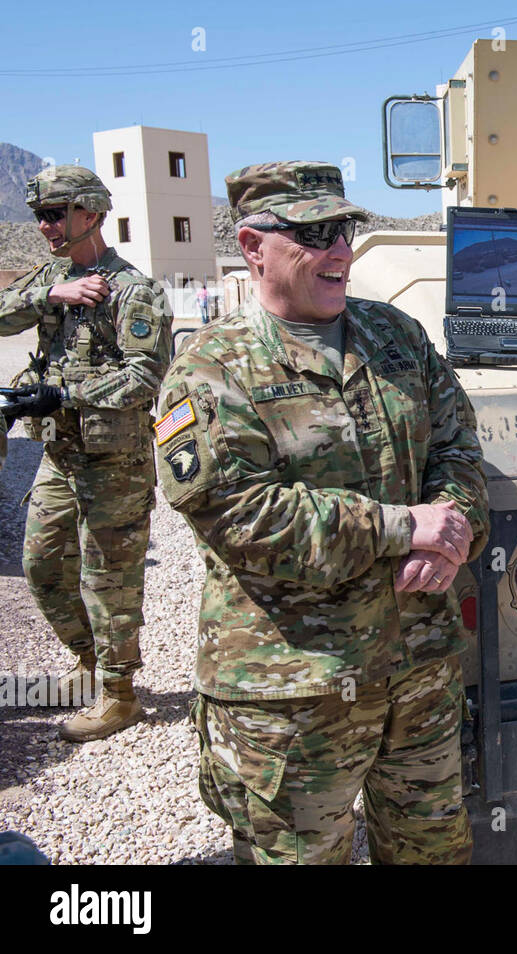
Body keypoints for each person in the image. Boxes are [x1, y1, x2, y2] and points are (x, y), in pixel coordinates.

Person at [157, 161, 488, 864]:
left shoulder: (395, 337)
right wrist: (404, 527)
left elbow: (458, 448)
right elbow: (242, 515)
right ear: (253, 247)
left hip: (419, 674)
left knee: (435, 852)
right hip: (294, 696)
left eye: (343, 228)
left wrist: (451, 530)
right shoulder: (211, 371)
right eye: (313, 233)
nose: (340, 249)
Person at [0, 165, 173, 741]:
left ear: (91, 213)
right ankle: (88, 661)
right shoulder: (50, 276)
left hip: (113, 461)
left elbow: (145, 376)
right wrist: (51, 291)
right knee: (42, 565)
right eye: (41, 216)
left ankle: (121, 696)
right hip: (60, 453)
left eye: (56, 214)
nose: (47, 226)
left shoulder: (133, 289)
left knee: (110, 579)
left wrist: (65, 392)